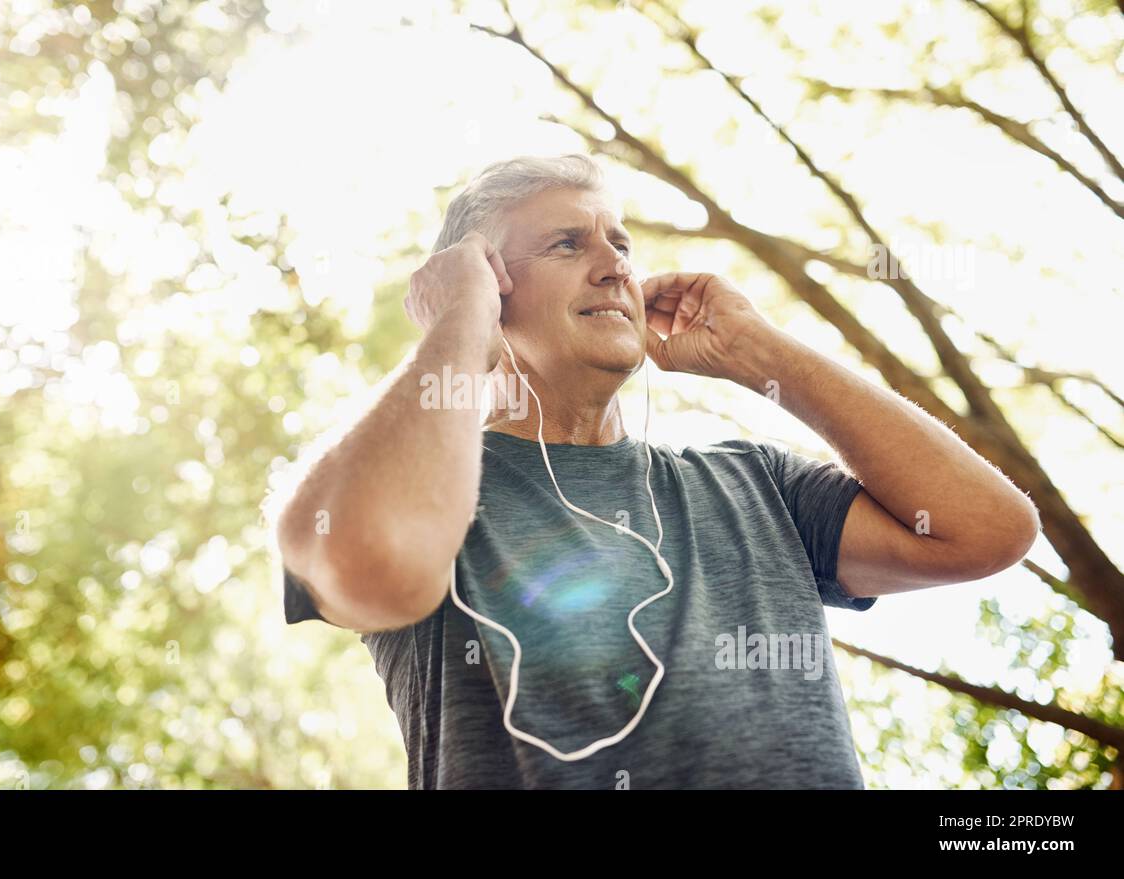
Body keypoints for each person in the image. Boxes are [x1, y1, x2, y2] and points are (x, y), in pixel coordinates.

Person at [272, 153, 1040, 789]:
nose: (615, 267)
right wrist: (456, 326)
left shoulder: (756, 485)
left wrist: (760, 351)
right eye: (568, 245)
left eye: (621, 244)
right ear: (484, 286)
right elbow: (360, 560)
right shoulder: (433, 493)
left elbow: (987, 530)